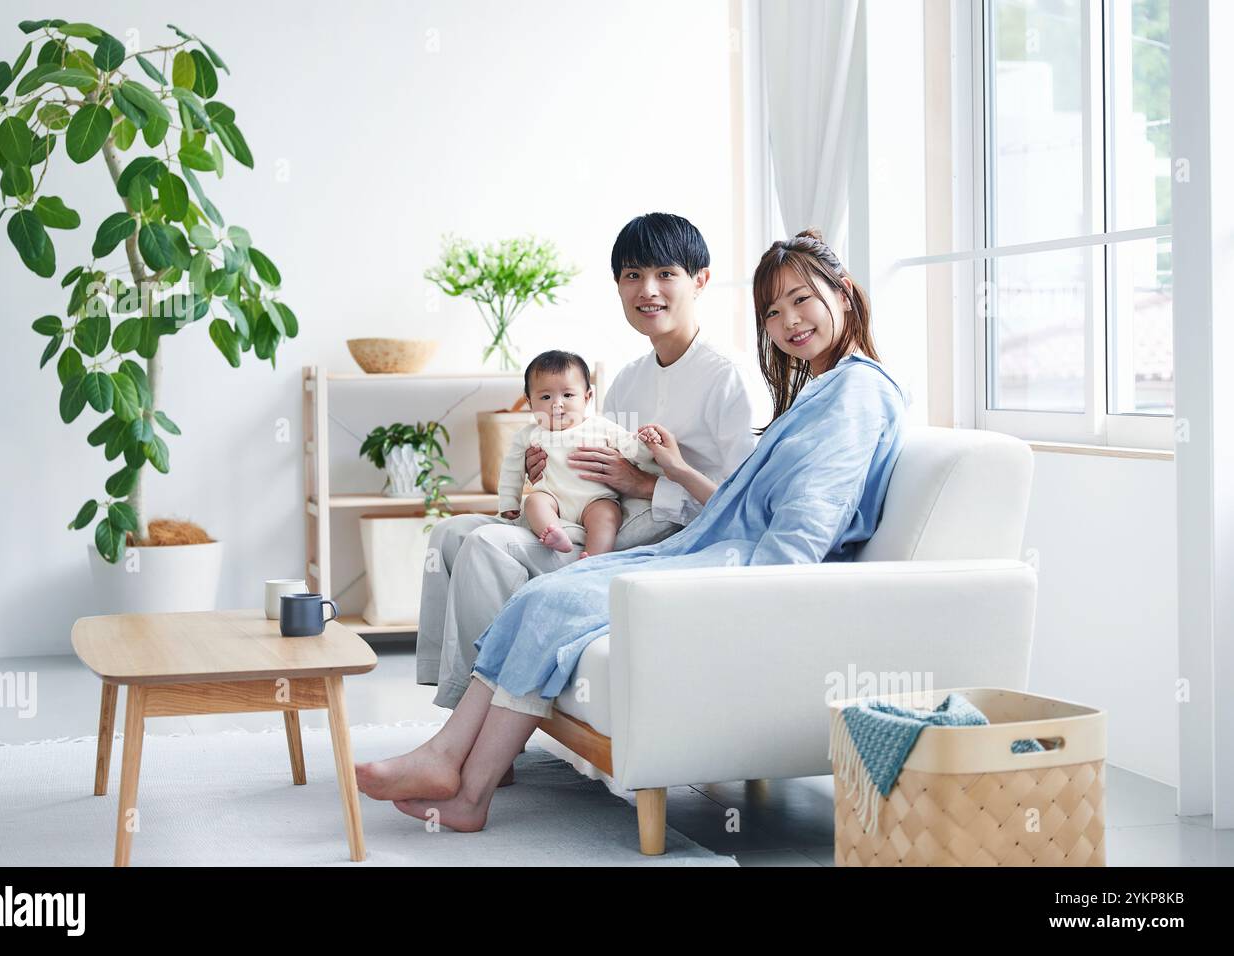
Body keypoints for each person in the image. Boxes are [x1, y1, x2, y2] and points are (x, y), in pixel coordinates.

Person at [357, 229, 909, 832]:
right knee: (542, 592)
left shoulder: (856, 391)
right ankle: (453, 769)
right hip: (708, 548)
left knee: (557, 595)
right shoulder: (821, 388)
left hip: (740, 568)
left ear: (845, 294)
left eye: (803, 300)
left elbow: (804, 526)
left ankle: (463, 783)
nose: (788, 322)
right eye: (773, 312)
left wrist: (748, 588)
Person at [412, 212, 758, 714]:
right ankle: (456, 701)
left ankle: (480, 720)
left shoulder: (729, 375)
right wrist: (548, 468)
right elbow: (594, 454)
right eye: (633, 276)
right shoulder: (630, 377)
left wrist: (643, 483)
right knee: (448, 534)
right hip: (597, 512)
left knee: (488, 543)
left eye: (666, 274)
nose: (648, 290)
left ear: (700, 280)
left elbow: (741, 504)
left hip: (662, 533)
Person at [497, 350, 663, 558]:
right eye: (546, 397)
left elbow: (630, 449)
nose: (557, 404)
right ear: (530, 402)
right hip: (552, 499)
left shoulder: (601, 426)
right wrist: (508, 502)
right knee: (533, 502)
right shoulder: (529, 435)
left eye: (567, 395)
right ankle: (554, 532)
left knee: (608, 516)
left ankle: (593, 556)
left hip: (595, 499)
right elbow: (511, 470)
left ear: (587, 398)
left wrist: (645, 442)